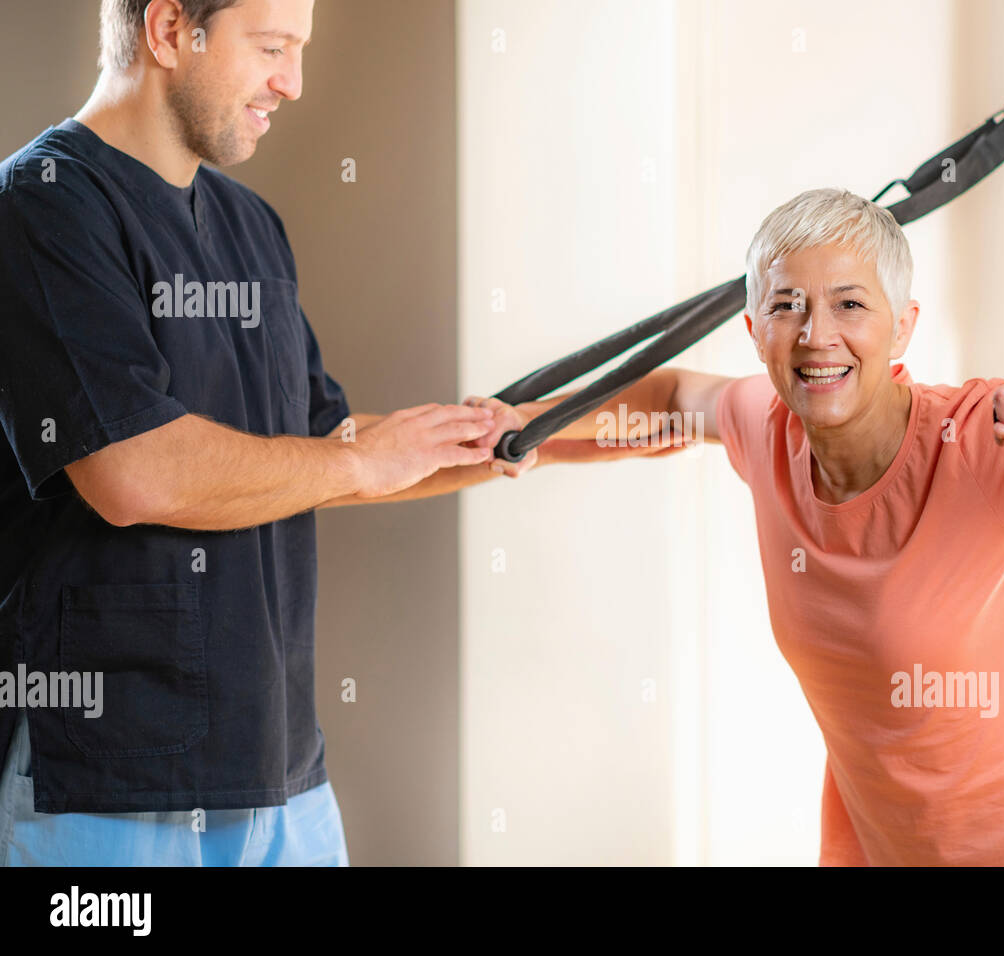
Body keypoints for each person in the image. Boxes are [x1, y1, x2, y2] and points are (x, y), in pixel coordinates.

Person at [495, 186, 1004, 866]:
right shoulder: (763, 428)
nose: (815, 335)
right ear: (753, 329)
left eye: (850, 304)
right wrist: (522, 433)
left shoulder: (982, 437)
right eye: (786, 305)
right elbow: (667, 402)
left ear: (903, 328)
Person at [0, 0, 583, 866]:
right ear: (168, 30)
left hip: (281, 776)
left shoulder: (251, 228)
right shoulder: (43, 206)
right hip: (111, 784)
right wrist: (361, 457)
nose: (294, 83)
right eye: (272, 48)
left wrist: (519, 436)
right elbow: (135, 471)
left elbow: (322, 446)